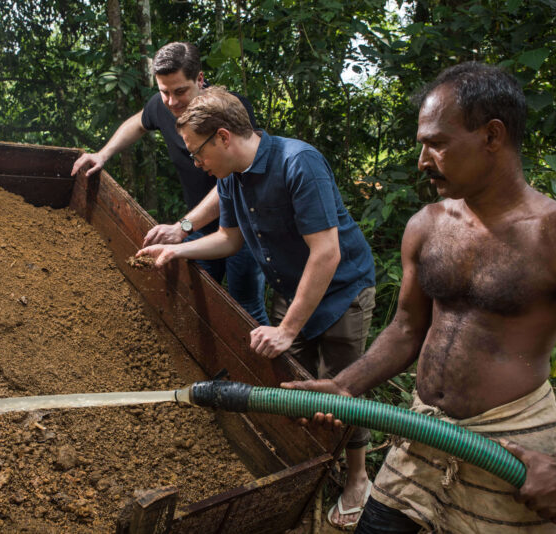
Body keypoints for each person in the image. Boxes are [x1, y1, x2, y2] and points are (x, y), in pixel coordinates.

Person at [282, 62, 556, 533]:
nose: (423, 161)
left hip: (513, 449)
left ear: (492, 136)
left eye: (438, 144)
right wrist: (345, 386)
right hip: (423, 435)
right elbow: (406, 328)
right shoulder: (428, 225)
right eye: (422, 144)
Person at [136, 86, 377, 529]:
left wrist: (286, 328)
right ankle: (314, 467)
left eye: (197, 152)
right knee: (295, 388)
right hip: (292, 290)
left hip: (342, 291)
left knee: (343, 386)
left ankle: (358, 478)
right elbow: (231, 238)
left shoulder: (297, 163)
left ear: (223, 137)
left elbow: (326, 254)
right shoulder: (230, 178)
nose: (195, 162)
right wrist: (180, 250)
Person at [71, 42, 269, 326]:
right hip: (199, 229)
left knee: (246, 307)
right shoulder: (162, 106)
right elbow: (137, 123)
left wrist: (182, 227)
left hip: (243, 230)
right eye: (164, 92)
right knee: (190, 295)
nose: (172, 102)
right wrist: (103, 154)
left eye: (180, 91)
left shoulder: (229, 111)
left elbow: (229, 184)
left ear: (200, 79)